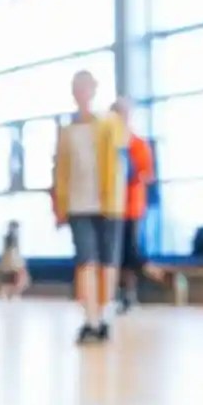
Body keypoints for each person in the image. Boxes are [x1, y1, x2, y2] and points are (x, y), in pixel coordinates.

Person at [53, 70, 126, 344]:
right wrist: (59, 204)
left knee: (107, 263)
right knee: (86, 262)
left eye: (85, 87)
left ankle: (105, 314)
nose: (81, 93)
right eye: (77, 88)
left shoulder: (109, 124)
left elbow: (124, 145)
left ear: (93, 90)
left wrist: (121, 115)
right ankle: (90, 319)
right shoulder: (67, 131)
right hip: (78, 204)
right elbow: (60, 170)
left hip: (109, 204)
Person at [112, 98, 162, 312]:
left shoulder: (138, 144)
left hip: (131, 206)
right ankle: (125, 291)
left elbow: (146, 174)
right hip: (111, 206)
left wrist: (133, 174)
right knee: (119, 253)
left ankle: (137, 285)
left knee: (130, 250)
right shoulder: (109, 144)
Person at [0, 220, 30, 300]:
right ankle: (9, 293)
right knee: (14, 276)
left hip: (12, 260)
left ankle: (11, 293)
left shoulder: (13, 238)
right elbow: (9, 252)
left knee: (17, 276)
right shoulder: (9, 238)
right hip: (11, 260)